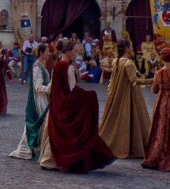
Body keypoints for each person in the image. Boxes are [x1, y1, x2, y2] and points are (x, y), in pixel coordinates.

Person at [44, 40, 116, 174]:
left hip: (57, 106)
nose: (74, 54)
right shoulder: (68, 68)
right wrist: (89, 96)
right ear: (68, 51)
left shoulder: (58, 65)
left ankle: (49, 160)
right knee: (85, 124)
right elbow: (72, 91)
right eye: (73, 51)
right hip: (66, 106)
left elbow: (56, 88)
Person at [97, 40, 152, 159]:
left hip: (117, 94)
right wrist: (151, 81)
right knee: (131, 118)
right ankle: (130, 146)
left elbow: (112, 80)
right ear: (127, 48)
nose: (132, 48)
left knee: (117, 119)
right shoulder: (128, 63)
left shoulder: (116, 61)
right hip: (129, 95)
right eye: (131, 46)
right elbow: (134, 80)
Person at [9, 42, 51, 160]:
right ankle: (34, 148)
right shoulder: (37, 67)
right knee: (41, 122)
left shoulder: (43, 66)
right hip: (40, 100)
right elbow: (37, 87)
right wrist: (50, 88)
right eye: (47, 51)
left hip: (45, 98)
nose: (49, 53)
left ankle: (43, 148)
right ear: (42, 53)